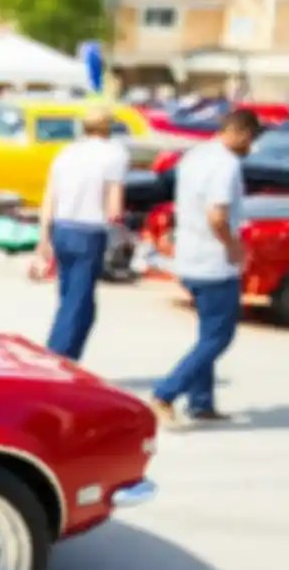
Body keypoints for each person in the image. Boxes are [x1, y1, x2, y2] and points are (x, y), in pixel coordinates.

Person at [149, 110, 261, 423]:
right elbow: (217, 216)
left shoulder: (195, 156)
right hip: (214, 261)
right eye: (250, 139)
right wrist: (234, 247)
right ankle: (166, 392)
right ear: (239, 132)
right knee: (219, 337)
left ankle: (201, 402)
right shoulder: (225, 165)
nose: (250, 147)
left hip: (190, 256)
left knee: (207, 333)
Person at [36, 105, 129, 361]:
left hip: (61, 226)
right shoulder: (114, 154)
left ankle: (69, 356)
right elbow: (114, 208)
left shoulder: (67, 153)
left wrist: (43, 237)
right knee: (77, 302)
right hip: (89, 230)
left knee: (72, 299)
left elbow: (49, 196)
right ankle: (57, 357)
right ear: (108, 127)